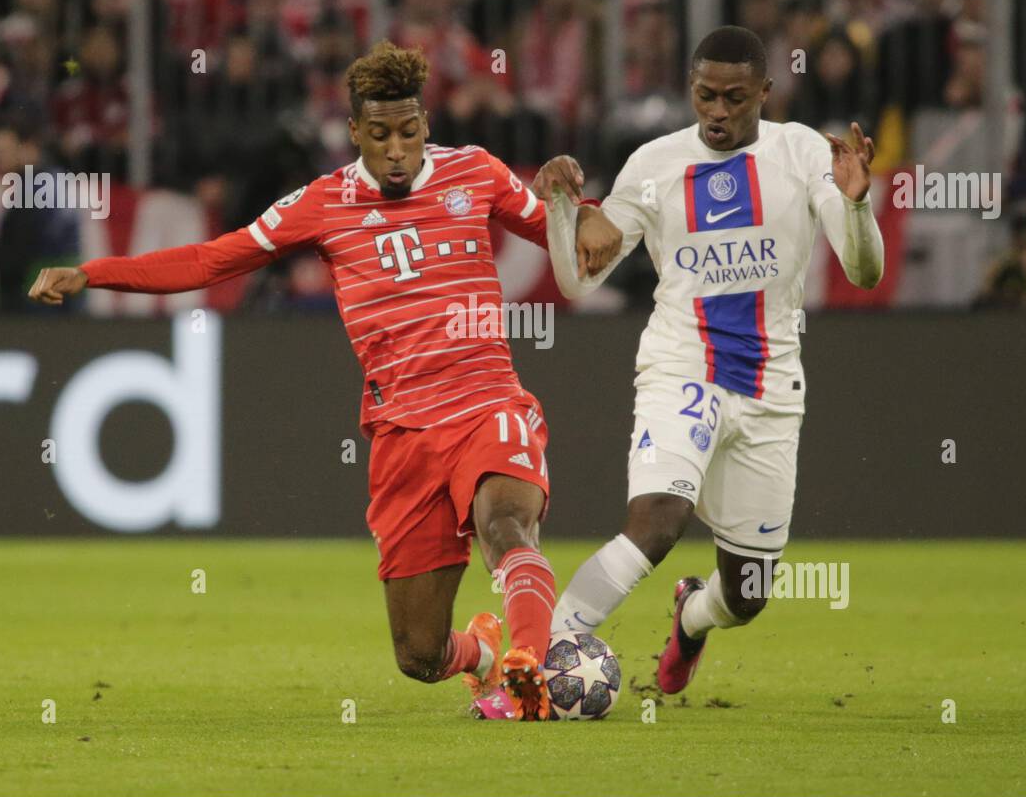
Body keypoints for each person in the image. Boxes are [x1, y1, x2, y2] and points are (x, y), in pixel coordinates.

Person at [29, 41, 602, 720]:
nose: (397, 149)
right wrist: (94, 272)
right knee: (417, 654)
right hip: (401, 434)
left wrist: (575, 202)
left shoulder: (475, 172)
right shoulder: (323, 202)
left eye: (410, 131)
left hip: (486, 402)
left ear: (426, 125)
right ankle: (481, 653)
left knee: (506, 523)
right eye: (381, 134)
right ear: (355, 132)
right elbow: (213, 260)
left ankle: (526, 678)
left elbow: (578, 248)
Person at [538, 26, 884, 694]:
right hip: (682, 367)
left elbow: (864, 271)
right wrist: (560, 211)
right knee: (656, 522)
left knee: (747, 594)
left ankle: (691, 617)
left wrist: (857, 202)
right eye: (704, 96)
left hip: (770, 388)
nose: (718, 111)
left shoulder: (803, 151)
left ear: (764, 92)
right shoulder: (655, 164)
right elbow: (578, 280)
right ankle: (544, 657)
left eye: (734, 97)